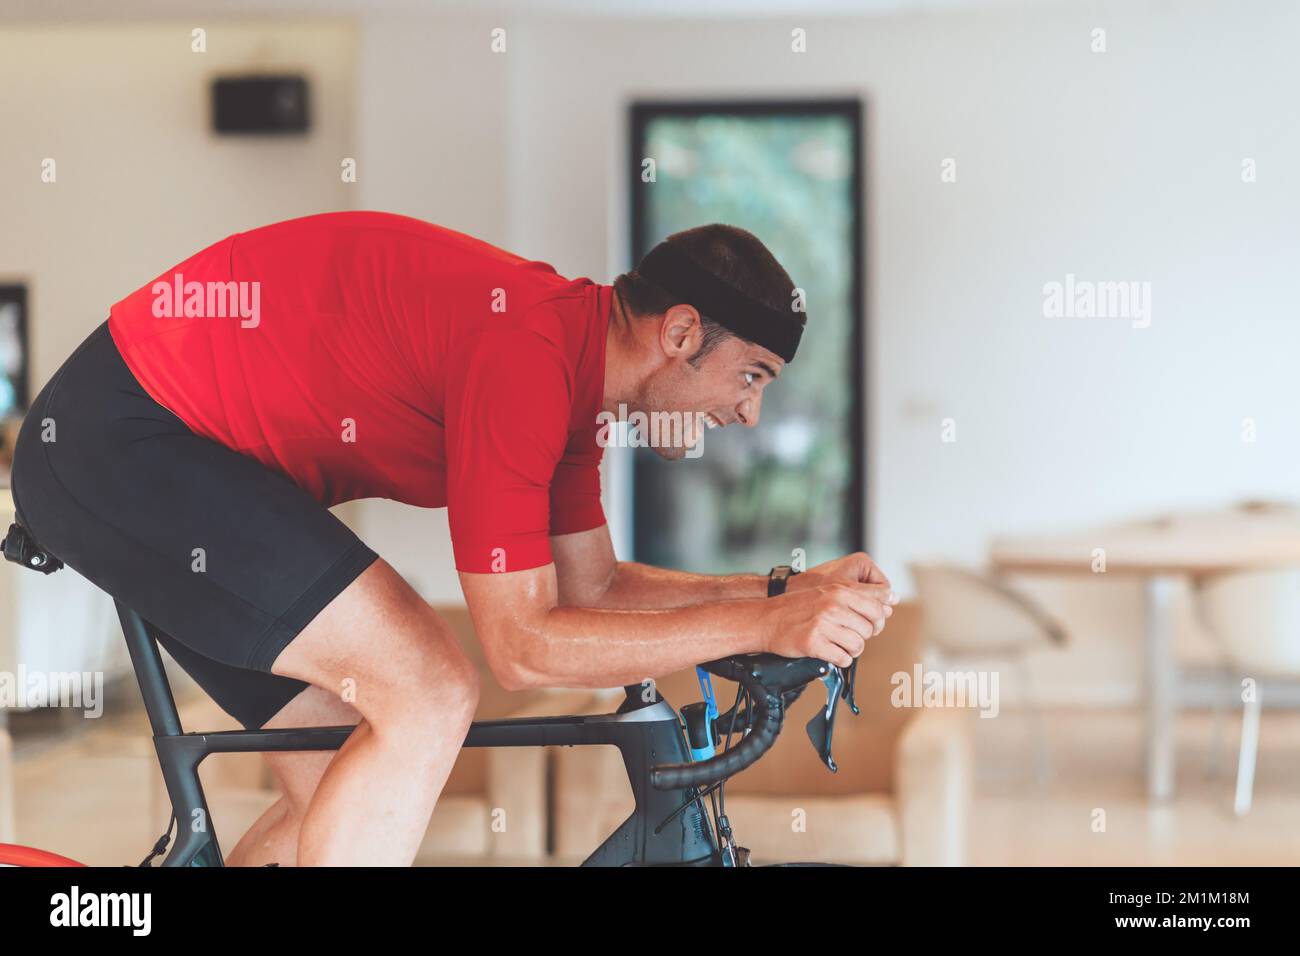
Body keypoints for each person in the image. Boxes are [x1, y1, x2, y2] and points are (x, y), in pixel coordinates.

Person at [9, 211, 896, 866]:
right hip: (123, 439)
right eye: (751, 377)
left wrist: (776, 595)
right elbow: (522, 645)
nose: (749, 413)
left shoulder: (576, 385)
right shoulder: (527, 353)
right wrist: (763, 625)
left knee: (347, 774)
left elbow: (589, 592)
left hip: (173, 460)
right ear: (681, 332)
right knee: (430, 687)